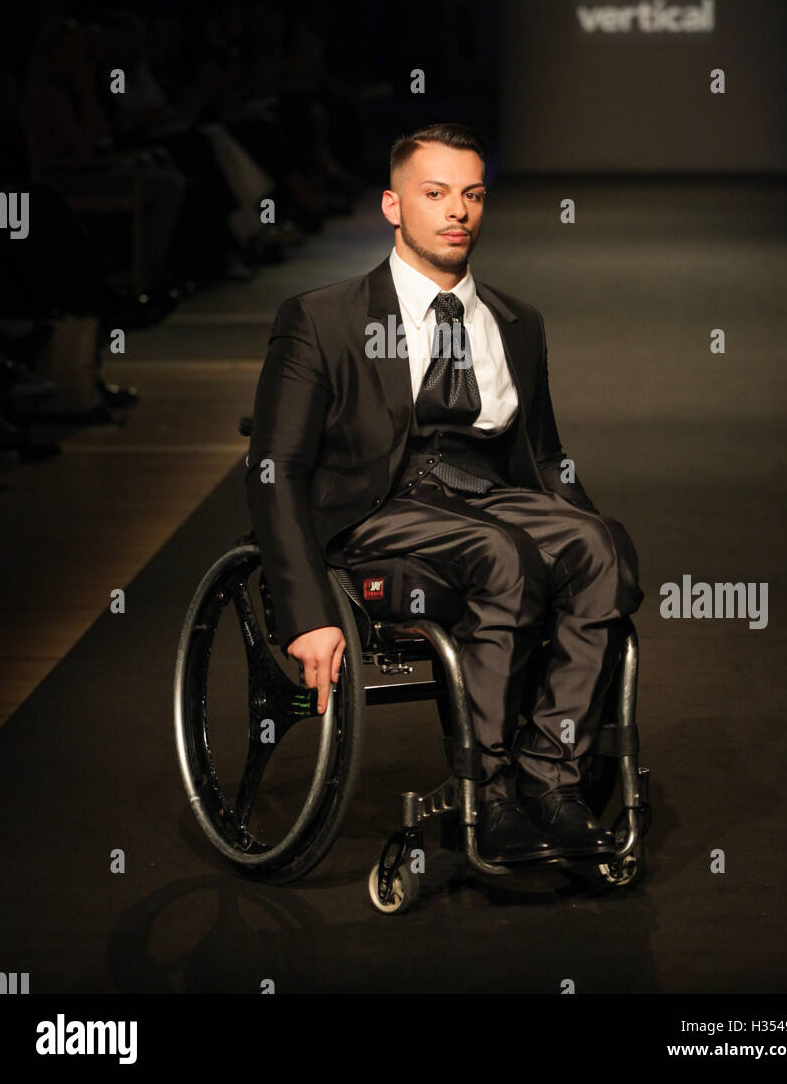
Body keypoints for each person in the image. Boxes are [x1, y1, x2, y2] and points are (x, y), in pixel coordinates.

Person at [246, 123, 644, 866]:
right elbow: (275, 469)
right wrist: (303, 613)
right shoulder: (322, 318)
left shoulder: (516, 321)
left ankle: (549, 778)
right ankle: (488, 791)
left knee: (599, 546)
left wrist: (583, 535)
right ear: (394, 206)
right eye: (435, 194)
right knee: (501, 555)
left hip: (484, 492)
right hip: (376, 506)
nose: (456, 210)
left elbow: (546, 455)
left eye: (471, 194)